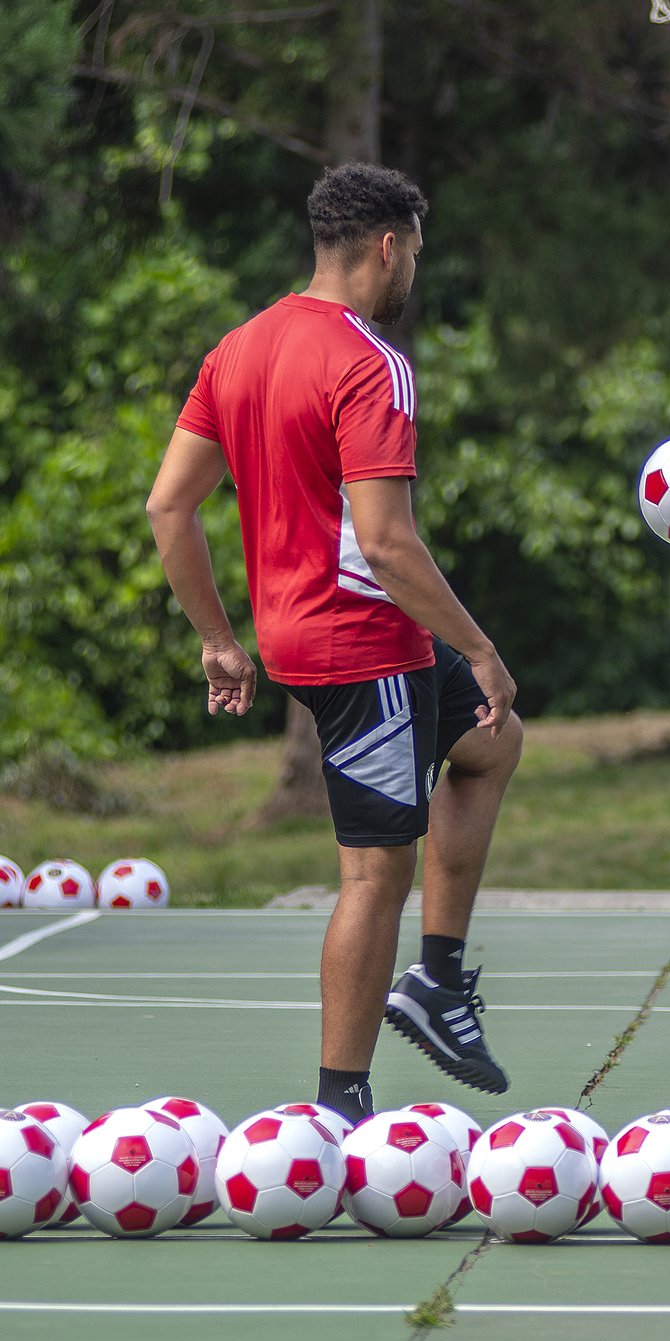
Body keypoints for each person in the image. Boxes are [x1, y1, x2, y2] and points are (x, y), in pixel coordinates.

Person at [146, 163, 523, 1124]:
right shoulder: (370, 361)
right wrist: (480, 647)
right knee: (373, 873)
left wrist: (218, 640)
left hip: (301, 635)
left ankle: (437, 981)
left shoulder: (238, 350)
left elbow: (168, 506)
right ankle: (339, 1107)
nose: (415, 272)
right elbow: (388, 545)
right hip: (364, 646)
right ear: (388, 248)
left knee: (490, 740)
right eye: (416, 254)